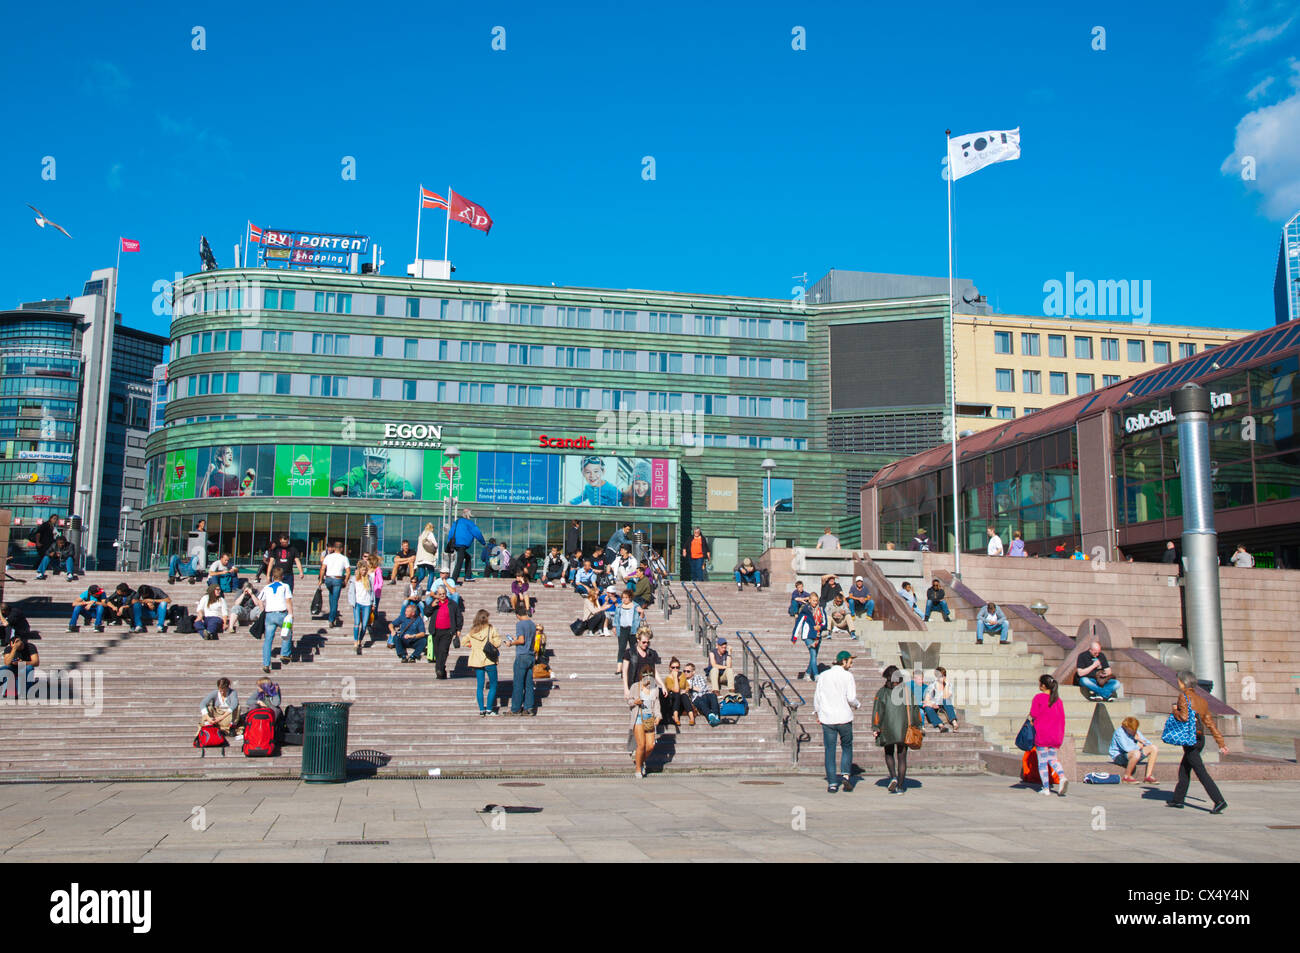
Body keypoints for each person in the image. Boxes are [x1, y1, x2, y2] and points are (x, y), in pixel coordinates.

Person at [1165, 670, 1228, 812]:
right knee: (1184, 770)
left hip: (1189, 739)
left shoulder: (1183, 696)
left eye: (1179, 681)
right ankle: (1177, 800)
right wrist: (1221, 743)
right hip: (1200, 739)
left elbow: (1184, 717)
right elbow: (1210, 724)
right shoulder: (1202, 701)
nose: (1178, 684)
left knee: (1201, 772)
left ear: (1183, 682)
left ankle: (1219, 800)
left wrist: (1175, 710)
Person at [815, 650, 861, 793]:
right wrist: (857, 705)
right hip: (844, 717)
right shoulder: (848, 676)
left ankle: (832, 783)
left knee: (830, 750)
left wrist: (817, 712)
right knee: (846, 746)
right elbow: (851, 697)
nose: (851, 664)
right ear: (844, 661)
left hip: (828, 718)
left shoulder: (823, 676)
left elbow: (818, 696)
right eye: (850, 661)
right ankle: (846, 775)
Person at [873, 665, 921, 794]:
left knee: (889, 753)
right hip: (904, 729)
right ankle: (900, 786)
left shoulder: (882, 692)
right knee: (902, 757)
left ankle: (893, 776)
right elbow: (915, 710)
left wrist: (875, 727)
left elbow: (878, 711)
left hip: (887, 728)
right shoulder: (907, 692)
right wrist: (918, 726)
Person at [1026, 674, 1069, 796]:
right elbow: (1062, 719)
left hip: (1042, 734)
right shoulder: (1058, 700)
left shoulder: (1039, 698)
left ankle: (1045, 788)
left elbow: (1033, 714)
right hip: (1056, 735)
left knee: (1042, 762)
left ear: (1043, 685)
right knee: (1053, 759)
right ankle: (1062, 777)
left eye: (1040, 683)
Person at [249, 568, 294, 674]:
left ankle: (266, 663)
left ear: (273, 576)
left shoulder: (267, 587)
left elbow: (259, 600)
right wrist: (291, 614)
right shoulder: (285, 586)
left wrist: (262, 609)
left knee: (268, 640)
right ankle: (284, 653)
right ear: (282, 576)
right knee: (287, 633)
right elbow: (288, 601)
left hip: (269, 615)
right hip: (281, 613)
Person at [465, 609, 502, 715]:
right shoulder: (491, 629)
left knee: (479, 686)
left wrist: (471, 645)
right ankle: (489, 709)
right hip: (489, 660)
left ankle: (481, 709)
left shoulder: (472, 631)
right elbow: (497, 643)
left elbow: (464, 641)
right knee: (494, 685)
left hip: (477, 661)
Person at [628, 662, 661, 778]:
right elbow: (629, 701)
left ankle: (640, 761)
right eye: (646, 676)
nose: (648, 679)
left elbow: (656, 703)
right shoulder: (635, 687)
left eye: (650, 676)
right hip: (638, 717)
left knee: (650, 746)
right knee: (641, 745)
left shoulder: (654, 688)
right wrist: (635, 702)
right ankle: (638, 768)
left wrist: (658, 716)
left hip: (649, 717)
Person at [423, 587, 464, 678]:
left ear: (446, 594)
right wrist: (432, 606)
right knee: (437, 652)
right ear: (437, 594)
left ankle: (439, 670)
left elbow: (459, 617)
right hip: (436, 631)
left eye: (444, 594)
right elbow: (426, 613)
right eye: (440, 594)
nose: (442, 596)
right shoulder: (434, 603)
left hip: (447, 631)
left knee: (443, 650)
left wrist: (458, 629)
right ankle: (442, 669)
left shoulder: (452, 604)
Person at [507, 604, 537, 715]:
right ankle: (529, 708)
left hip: (522, 655)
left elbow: (521, 640)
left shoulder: (520, 624)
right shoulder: (532, 624)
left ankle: (515, 708)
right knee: (528, 683)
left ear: (518, 615)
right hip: (530, 655)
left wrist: (511, 643)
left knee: (518, 683)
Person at [1110, 716, 1159, 783]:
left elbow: (1148, 744)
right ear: (1126, 728)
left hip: (1133, 755)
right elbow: (1126, 748)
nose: (1134, 731)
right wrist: (1138, 746)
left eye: (1135, 729)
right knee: (1136, 753)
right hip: (1119, 756)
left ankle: (1148, 776)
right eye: (1132, 730)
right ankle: (1127, 776)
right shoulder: (1119, 732)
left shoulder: (1136, 732)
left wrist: (1140, 740)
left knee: (1154, 748)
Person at [446, 508, 486, 584]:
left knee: (468, 557)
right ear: (468, 515)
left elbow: (451, 532)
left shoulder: (457, 522)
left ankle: (468, 576)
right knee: (459, 562)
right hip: (462, 544)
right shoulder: (469, 523)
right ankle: (453, 580)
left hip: (455, 544)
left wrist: (449, 541)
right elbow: (477, 533)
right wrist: (483, 543)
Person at [318, 540, 351, 629]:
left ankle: (332, 613)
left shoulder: (328, 557)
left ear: (334, 548)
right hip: (337, 579)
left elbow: (322, 568)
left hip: (328, 579)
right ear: (341, 549)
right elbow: (348, 572)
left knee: (331, 596)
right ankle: (331, 619)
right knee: (335, 600)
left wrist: (321, 579)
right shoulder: (344, 558)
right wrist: (346, 581)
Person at [793, 593, 825, 681]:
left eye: (816, 600)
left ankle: (807, 673)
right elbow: (799, 622)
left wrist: (821, 627)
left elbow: (825, 622)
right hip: (807, 635)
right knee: (813, 653)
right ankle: (816, 675)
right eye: (813, 600)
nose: (815, 602)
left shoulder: (821, 609)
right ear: (809, 600)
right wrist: (794, 636)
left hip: (817, 635)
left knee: (813, 656)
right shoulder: (805, 610)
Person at [612, 588, 645, 676]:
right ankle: (619, 668)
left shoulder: (635, 605)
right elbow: (616, 617)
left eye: (626, 597)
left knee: (633, 649)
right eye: (623, 597)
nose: (624, 599)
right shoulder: (619, 606)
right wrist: (614, 627)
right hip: (622, 629)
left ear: (630, 597)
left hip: (633, 629)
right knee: (621, 648)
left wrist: (641, 612)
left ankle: (634, 666)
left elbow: (642, 618)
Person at [622, 627, 663, 694]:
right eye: (643, 642)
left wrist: (662, 684)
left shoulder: (651, 653)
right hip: (634, 686)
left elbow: (654, 670)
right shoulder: (629, 652)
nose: (646, 644)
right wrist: (626, 688)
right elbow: (624, 671)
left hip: (648, 687)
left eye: (647, 642)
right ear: (638, 640)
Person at [683, 661, 720, 726]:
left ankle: (716, 715)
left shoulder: (698, 677)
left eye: (688, 671)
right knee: (699, 699)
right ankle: (710, 716)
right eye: (684, 671)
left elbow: (703, 689)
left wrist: (691, 687)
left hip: (705, 696)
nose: (685, 673)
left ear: (693, 672)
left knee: (713, 695)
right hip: (696, 699)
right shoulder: (683, 680)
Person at [662, 657, 694, 727]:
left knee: (684, 695)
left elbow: (687, 686)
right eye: (673, 667)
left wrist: (684, 690)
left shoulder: (682, 675)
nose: (675, 669)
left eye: (677, 667)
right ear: (670, 668)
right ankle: (676, 717)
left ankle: (691, 717)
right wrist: (675, 677)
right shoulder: (668, 679)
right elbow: (676, 690)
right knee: (676, 694)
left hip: (682, 701)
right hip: (672, 702)